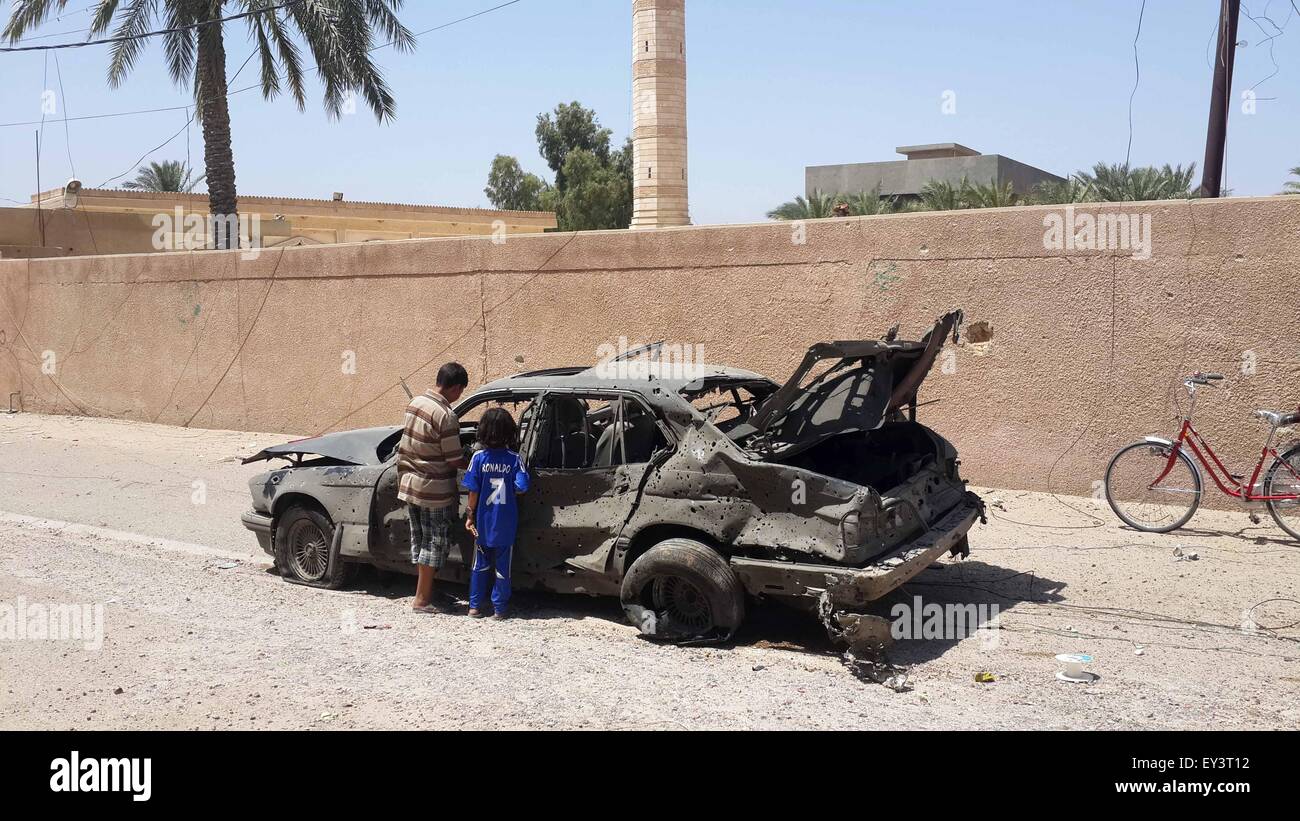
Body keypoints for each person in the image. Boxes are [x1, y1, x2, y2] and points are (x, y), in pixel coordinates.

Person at [397, 362, 469, 613]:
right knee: (435, 543)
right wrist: (474, 462)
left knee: (420, 539)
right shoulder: (446, 416)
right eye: (461, 391)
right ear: (457, 388)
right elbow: (453, 459)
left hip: (410, 484)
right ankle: (422, 601)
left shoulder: (415, 403)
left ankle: (426, 590)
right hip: (433, 490)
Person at [461, 407, 530, 620]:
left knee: (479, 564)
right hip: (506, 523)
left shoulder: (478, 458)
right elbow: (522, 487)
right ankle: (499, 609)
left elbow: (473, 490)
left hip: (482, 522)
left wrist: (470, 515)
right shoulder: (514, 459)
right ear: (510, 432)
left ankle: (474, 607)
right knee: (503, 567)